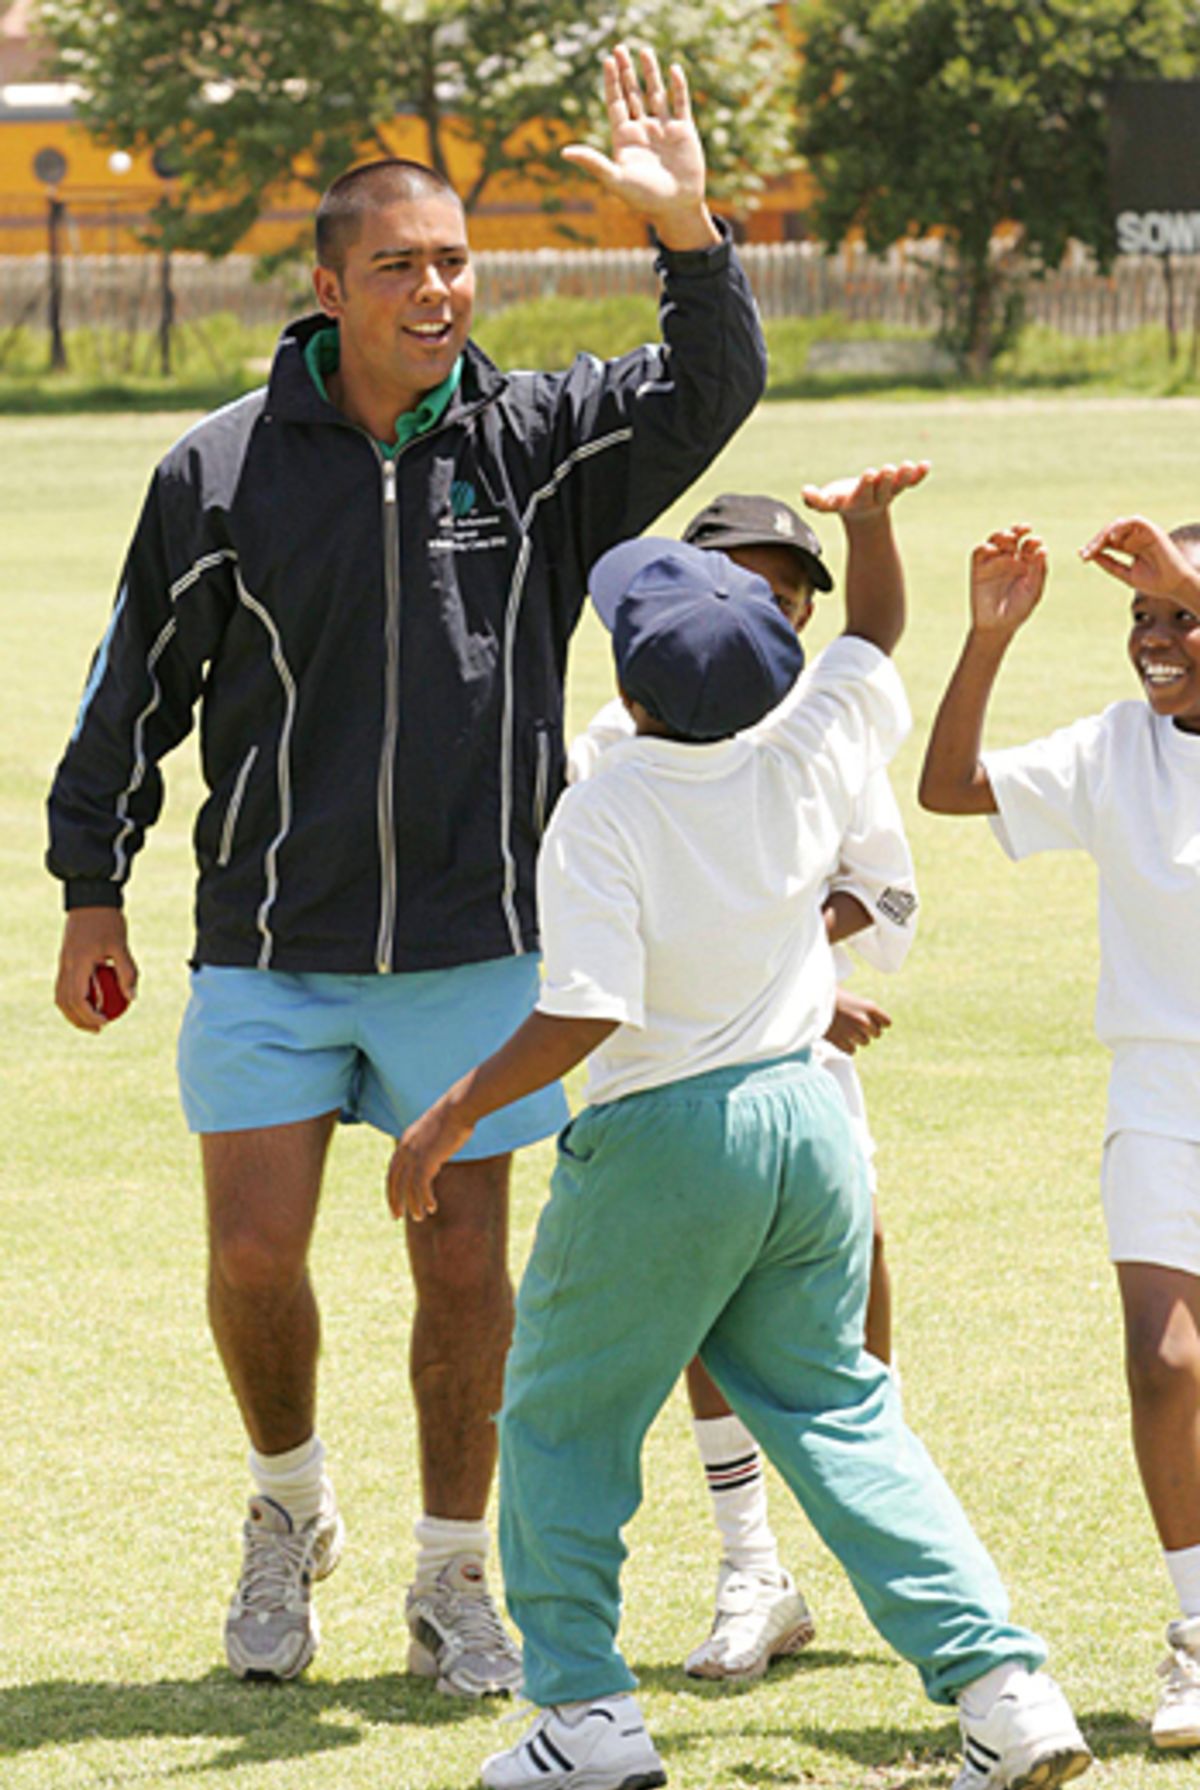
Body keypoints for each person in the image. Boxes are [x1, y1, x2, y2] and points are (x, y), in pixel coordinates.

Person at [45, 44, 767, 1692]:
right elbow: (129, 687)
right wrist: (94, 883)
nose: (437, 291)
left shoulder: (539, 444)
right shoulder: (217, 472)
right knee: (252, 1257)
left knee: (461, 1269)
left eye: (453, 262)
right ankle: (285, 1516)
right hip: (270, 943)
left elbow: (710, 391)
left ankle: (456, 1580)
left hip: (473, 942)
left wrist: (687, 233)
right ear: (329, 285)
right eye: (401, 266)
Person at [387, 524, 1091, 1790]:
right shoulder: (812, 740)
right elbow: (873, 630)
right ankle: (1007, 1687)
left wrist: (449, 1113)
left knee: (558, 1421)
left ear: (636, 694)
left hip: (668, 1132)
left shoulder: (603, 803)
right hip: (806, 1119)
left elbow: (586, 1011)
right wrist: (873, 526)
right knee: (842, 1410)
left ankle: (589, 1719)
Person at [566, 473, 924, 1683]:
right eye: (740, 583)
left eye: (784, 594)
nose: (760, 610)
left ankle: (870, 1533)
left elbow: (883, 891)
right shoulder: (613, 745)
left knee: (851, 1274)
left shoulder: (819, 726)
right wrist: (788, 967)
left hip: (795, 1067)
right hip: (672, 1078)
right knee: (702, 1312)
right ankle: (751, 1561)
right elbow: (613, 935)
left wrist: (800, 966)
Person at [920, 514, 1200, 1752]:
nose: (1155, 639)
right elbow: (949, 785)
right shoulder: (1115, 749)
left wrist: (1186, 574)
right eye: (1142, 618)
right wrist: (988, 639)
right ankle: (1199, 1626)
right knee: (1169, 1361)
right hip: (1160, 1091)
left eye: (1181, 616)